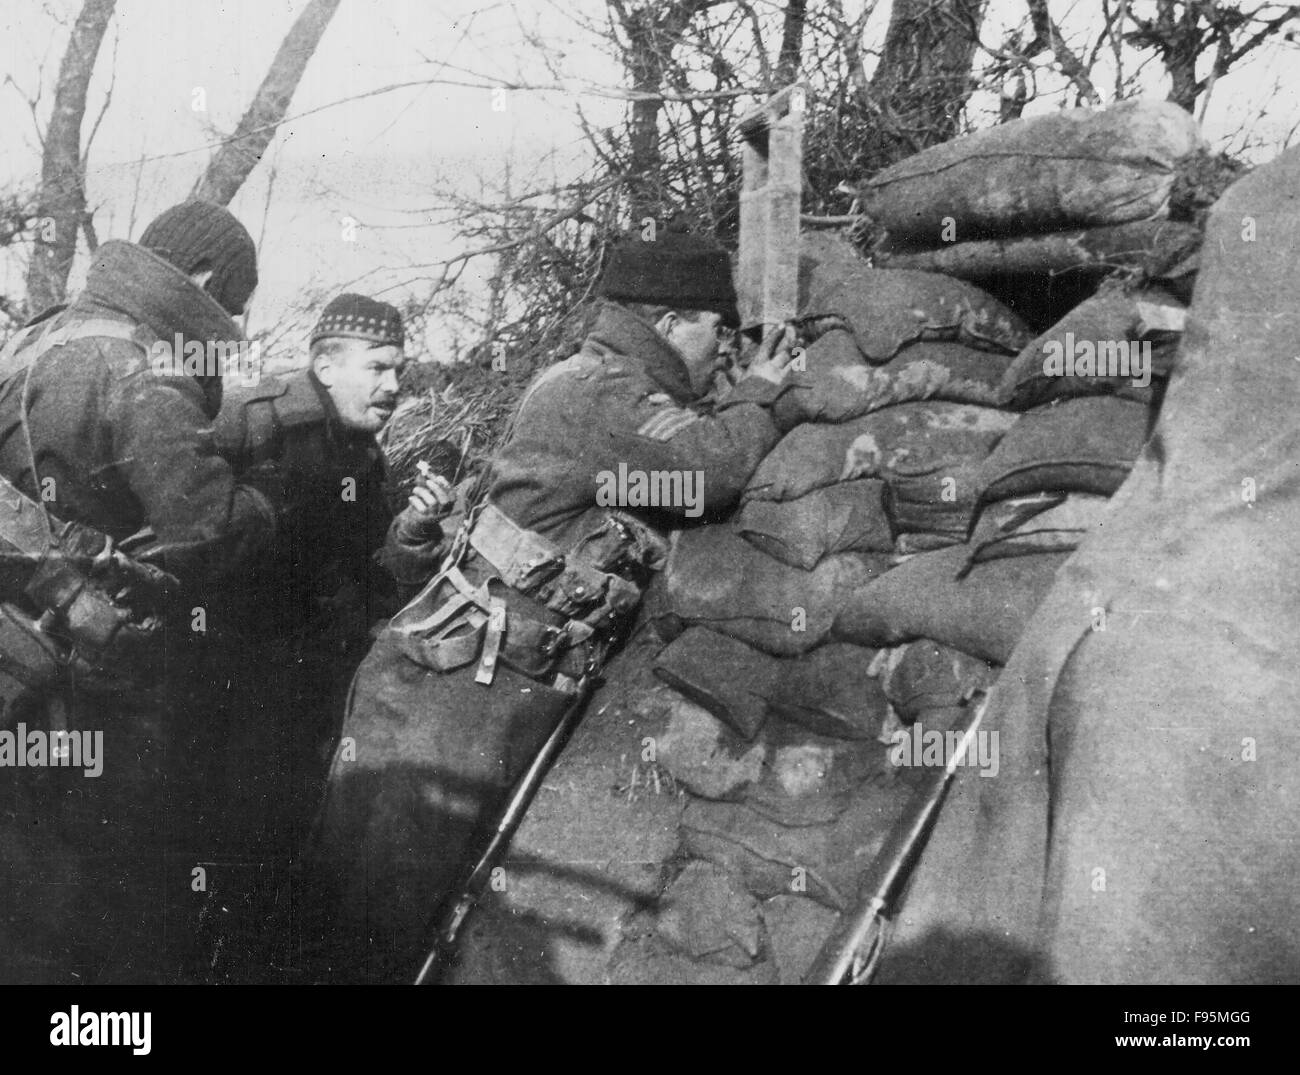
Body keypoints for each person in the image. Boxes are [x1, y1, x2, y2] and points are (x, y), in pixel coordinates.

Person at [306, 227, 798, 983]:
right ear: (667, 323)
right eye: (717, 328)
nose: (726, 347)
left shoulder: (611, 386)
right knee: (370, 918)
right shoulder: (599, 393)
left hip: (479, 682)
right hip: (454, 693)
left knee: (390, 913)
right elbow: (705, 473)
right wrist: (766, 389)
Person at [0, 200, 295, 982]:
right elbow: (208, 529)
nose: (227, 319)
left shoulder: (37, 334)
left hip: (15, 654)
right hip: (95, 677)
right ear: (198, 279)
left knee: (25, 886)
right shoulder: (144, 365)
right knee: (116, 900)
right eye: (228, 303)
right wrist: (264, 497)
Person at [181, 295, 451, 980]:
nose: (394, 386)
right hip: (217, 695)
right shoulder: (251, 418)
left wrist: (412, 536)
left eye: (401, 370)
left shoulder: (364, 455)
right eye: (380, 368)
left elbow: (371, 582)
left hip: (303, 707)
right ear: (326, 364)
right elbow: (178, 531)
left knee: (269, 877)